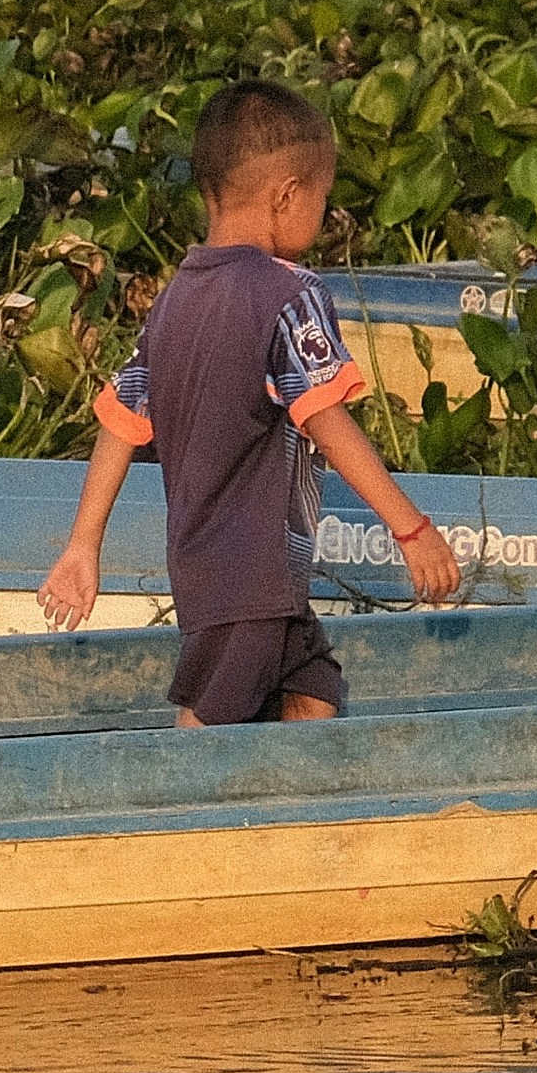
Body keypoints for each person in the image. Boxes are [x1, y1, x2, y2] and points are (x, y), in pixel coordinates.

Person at [33, 79, 467, 719]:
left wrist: (82, 547)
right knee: (207, 723)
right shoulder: (288, 294)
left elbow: (121, 422)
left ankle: (297, 821)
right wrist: (412, 528)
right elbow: (327, 420)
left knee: (313, 696)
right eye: (321, 199)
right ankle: (176, 817)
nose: (322, 216)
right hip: (250, 577)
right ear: (288, 197)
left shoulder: (173, 301)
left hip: (236, 578)